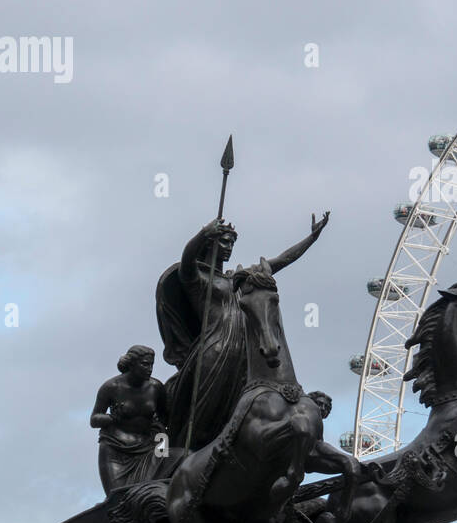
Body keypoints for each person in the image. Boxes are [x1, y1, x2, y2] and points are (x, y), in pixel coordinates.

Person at [156, 212, 330, 450]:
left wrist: (311, 238)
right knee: (206, 409)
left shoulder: (239, 279)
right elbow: (186, 261)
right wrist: (203, 233)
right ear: (210, 243)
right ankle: (187, 451)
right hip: (216, 351)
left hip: (247, 351)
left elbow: (280, 260)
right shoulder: (197, 278)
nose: (229, 247)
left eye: (232, 243)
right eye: (224, 241)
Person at [90, 345, 179, 494]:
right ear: (131, 364)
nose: (149, 369)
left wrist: (163, 441)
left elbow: (165, 418)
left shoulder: (156, 387)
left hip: (149, 447)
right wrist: (113, 418)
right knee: (119, 498)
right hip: (116, 450)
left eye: (151, 364)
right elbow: (94, 419)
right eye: (145, 364)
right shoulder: (111, 387)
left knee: (183, 456)